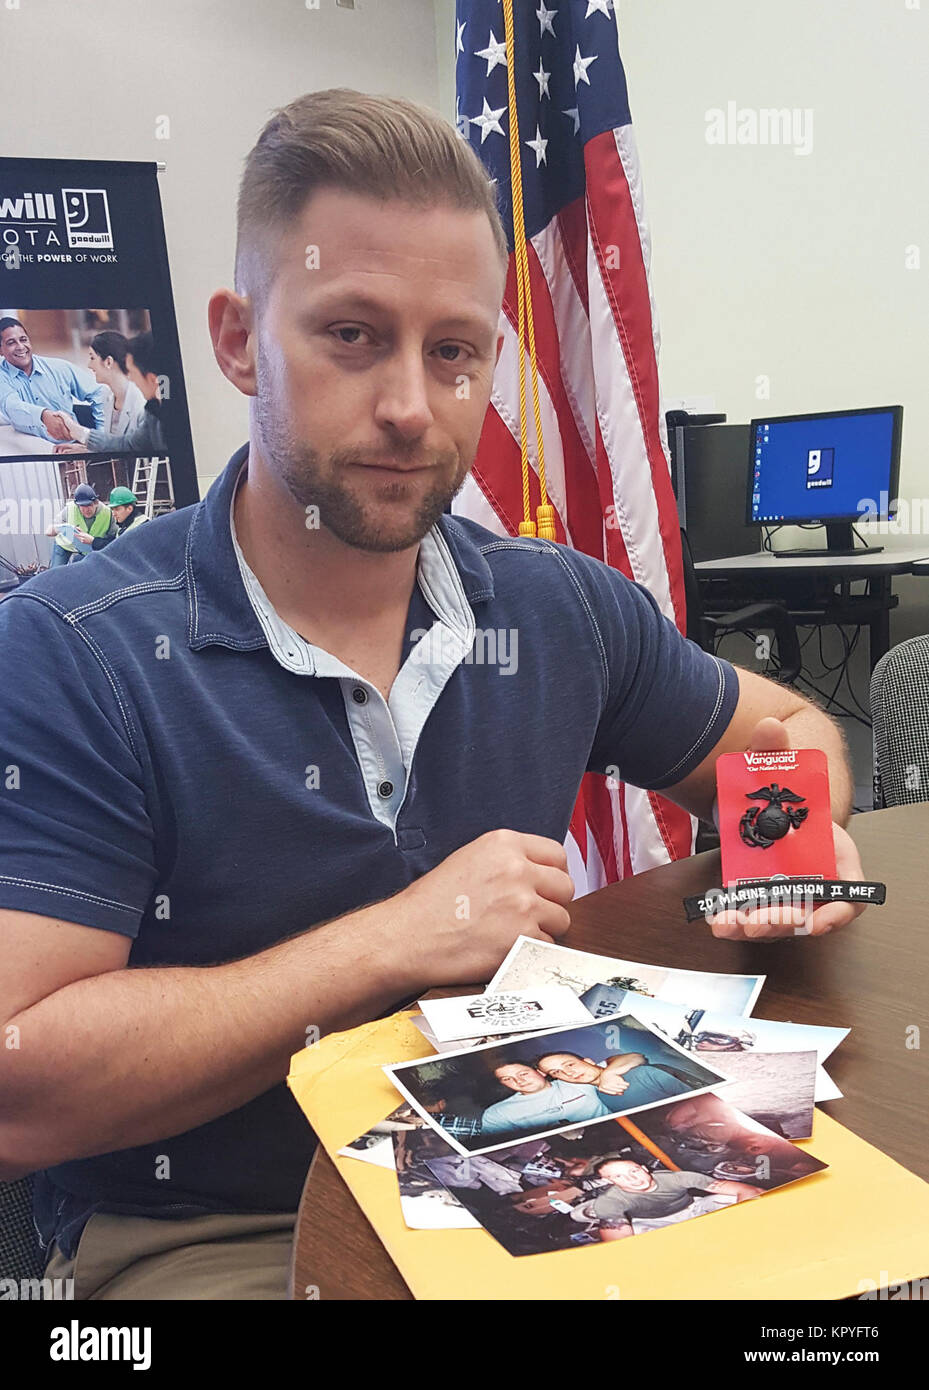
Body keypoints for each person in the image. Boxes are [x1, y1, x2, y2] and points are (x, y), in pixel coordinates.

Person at [0, 90, 864, 1302]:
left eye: (451, 351)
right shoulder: (70, 653)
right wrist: (391, 939)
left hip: (553, 1163)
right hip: (226, 1235)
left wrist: (787, 832)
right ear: (240, 338)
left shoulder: (554, 604)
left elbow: (784, 729)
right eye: (351, 335)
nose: (411, 406)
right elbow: (18, 1083)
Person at [570, 1157, 761, 1240]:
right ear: (607, 1181)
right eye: (618, 1177)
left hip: (694, 1209)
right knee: (635, 1238)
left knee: (736, 1199)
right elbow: (619, 1244)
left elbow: (750, 1189)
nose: (632, 1179)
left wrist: (742, 1222)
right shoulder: (610, 1201)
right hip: (653, 1223)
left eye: (634, 1171)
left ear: (644, 1168)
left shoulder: (679, 1177)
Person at [56, 332, 171, 456]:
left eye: (92, 358)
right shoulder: (152, 412)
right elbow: (126, 445)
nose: (131, 378)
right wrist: (86, 445)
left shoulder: (144, 405)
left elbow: (133, 450)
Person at [0, 318, 107, 442]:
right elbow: (12, 407)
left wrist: (100, 438)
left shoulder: (59, 368)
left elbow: (99, 393)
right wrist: (43, 415)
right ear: (1, 350)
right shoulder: (2, 377)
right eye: (11, 342)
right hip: (34, 452)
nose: (20, 347)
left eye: (23, 339)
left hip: (74, 447)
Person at [479, 1062, 614, 1136]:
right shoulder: (497, 1113)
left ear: (540, 1072)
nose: (519, 1080)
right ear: (503, 1084)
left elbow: (628, 1058)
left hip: (611, 1131)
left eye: (524, 1073)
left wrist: (608, 1073)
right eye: (507, 1079)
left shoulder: (575, 1080)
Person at [535, 1047, 686, 1109]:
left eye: (569, 1064)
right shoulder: (593, 1099)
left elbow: (635, 1057)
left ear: (588, 1061)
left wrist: (609, 1073)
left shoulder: (645, 1074)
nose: (568, 1073)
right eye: (556, 1072)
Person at [44, 483, 116, 567]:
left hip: (91, 548)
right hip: (65, 545)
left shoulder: (108, 514)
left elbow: (114, 540)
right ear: (77, 505)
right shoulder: (69, 510)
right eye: (82, 506)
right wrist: (60, 529)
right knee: (55, 573)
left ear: (96, 502)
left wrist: (95, 541)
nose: (86, 509)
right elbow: (48, 531)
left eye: (89, 505)